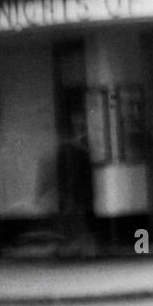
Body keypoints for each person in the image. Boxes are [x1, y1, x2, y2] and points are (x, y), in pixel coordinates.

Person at [56, 110, 94, 257]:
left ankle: (76, 248)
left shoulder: (69, 150)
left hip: (74, 193)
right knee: (77, 221)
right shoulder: (79, 150)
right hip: (77, 193)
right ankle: (80, 248)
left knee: (75, 221)